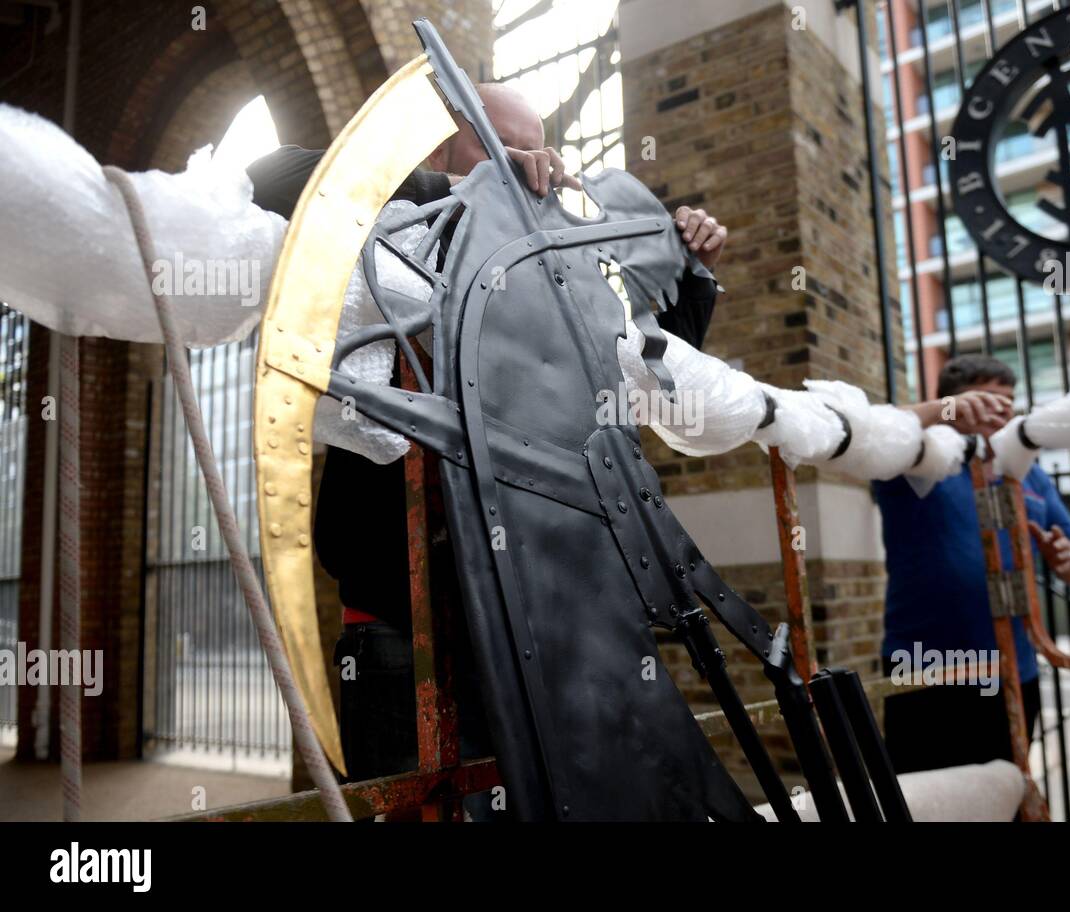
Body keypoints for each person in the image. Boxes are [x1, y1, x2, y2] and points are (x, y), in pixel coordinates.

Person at [245, 83, 732, 792]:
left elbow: (645, 376)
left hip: (535, 619)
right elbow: (267, 178)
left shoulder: (548, 266)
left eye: (534, 148)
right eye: (501, 147)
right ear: (441, 146)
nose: (528, 163)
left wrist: (690, 269)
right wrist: (455, 185)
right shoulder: (398, 226)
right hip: (398, 620)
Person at [874, 354, 1070, 776]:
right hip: (924, 668)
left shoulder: (1026, 471)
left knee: (1006, 794)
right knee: (927, 802)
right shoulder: (919, 456)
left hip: (1014, 665)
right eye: (987, 398)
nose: (1002, 409)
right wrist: (942, 412)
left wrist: (1067, 558)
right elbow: (871, 428)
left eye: (1009, 399)